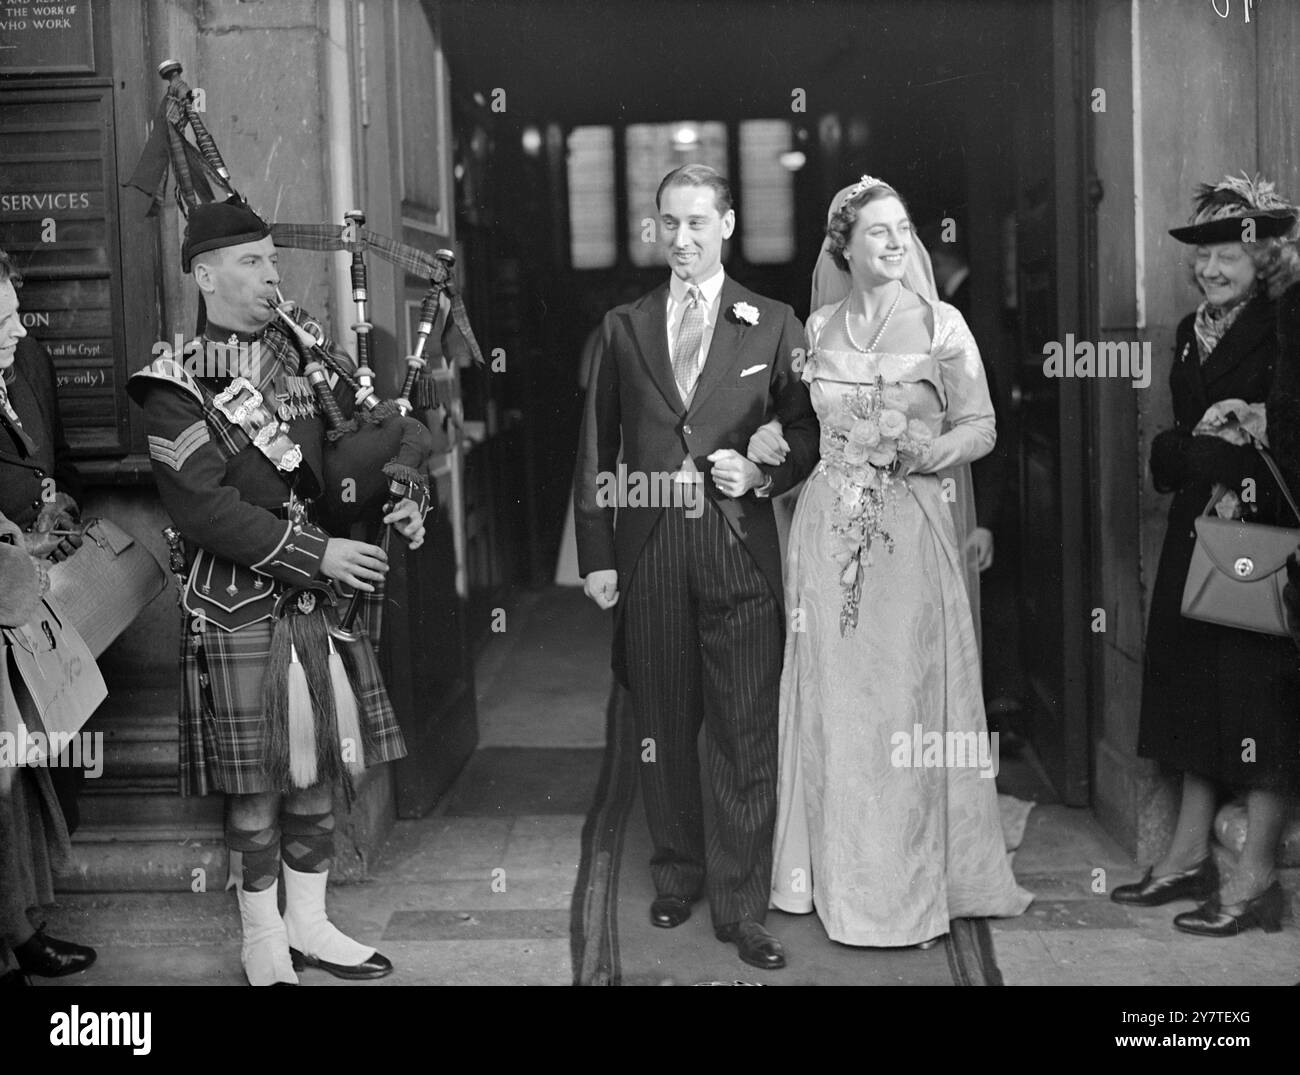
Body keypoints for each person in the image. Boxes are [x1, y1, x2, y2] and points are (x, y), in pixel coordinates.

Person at [126, 198, 424, 984]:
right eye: (253, 262)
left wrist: (405, 491)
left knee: (317, 773)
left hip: (314, 610)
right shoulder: (173, 382)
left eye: (273, 260)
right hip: (236, 606)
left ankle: (312, 924)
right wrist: (318, 555)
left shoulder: (308, 365)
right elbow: (204, 508)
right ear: (205, 274)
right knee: (255, 791)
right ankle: (263, 940)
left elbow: (381, 440)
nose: (271, 276)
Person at [764, 176, 1032, 947]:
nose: (892, 241)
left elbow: (980, 425)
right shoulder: (816, 325)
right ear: (842, 245)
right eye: (875, 231)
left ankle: (907, 886)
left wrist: (927, 452)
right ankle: (835, 876)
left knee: (907, 700)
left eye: (902, 228)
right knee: (836, 703)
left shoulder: (943, 326)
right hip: (826, 530)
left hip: (910, 532)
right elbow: (801, 426)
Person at [575, 164, 820, 971]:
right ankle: (677, 871)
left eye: (697, 223)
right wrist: (598, 557)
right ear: (656, 229)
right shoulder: (624, 325)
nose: (682, 239)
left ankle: (744, 904)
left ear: (728, 224)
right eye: (668, 224)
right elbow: (595, 450)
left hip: (737, 545)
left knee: (743, 726)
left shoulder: (774, 321)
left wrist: (761, 475)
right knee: (663, 720)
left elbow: (807, 429)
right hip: (650, 548)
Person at [1113, 174, 1299, 936]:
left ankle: (1254, 881)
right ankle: (1188, 857)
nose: (1210, 269)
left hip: (1260, 538)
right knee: (1193, 692)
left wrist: (1209, 449)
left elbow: (1287, 429)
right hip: (1198, 531)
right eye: (1203, 257)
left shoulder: (1288, 320)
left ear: (1265, 258)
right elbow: (1177, 438)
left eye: (1227, 256)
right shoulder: (1192, 329)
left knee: (1260, 703)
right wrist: (1192, 451)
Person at [0, 249, 95, 983]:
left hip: (24, 609)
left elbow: (48, 461)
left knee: (15, 782)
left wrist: (54, 518)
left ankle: (20, 933)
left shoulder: (23, 364)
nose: (16, 331)